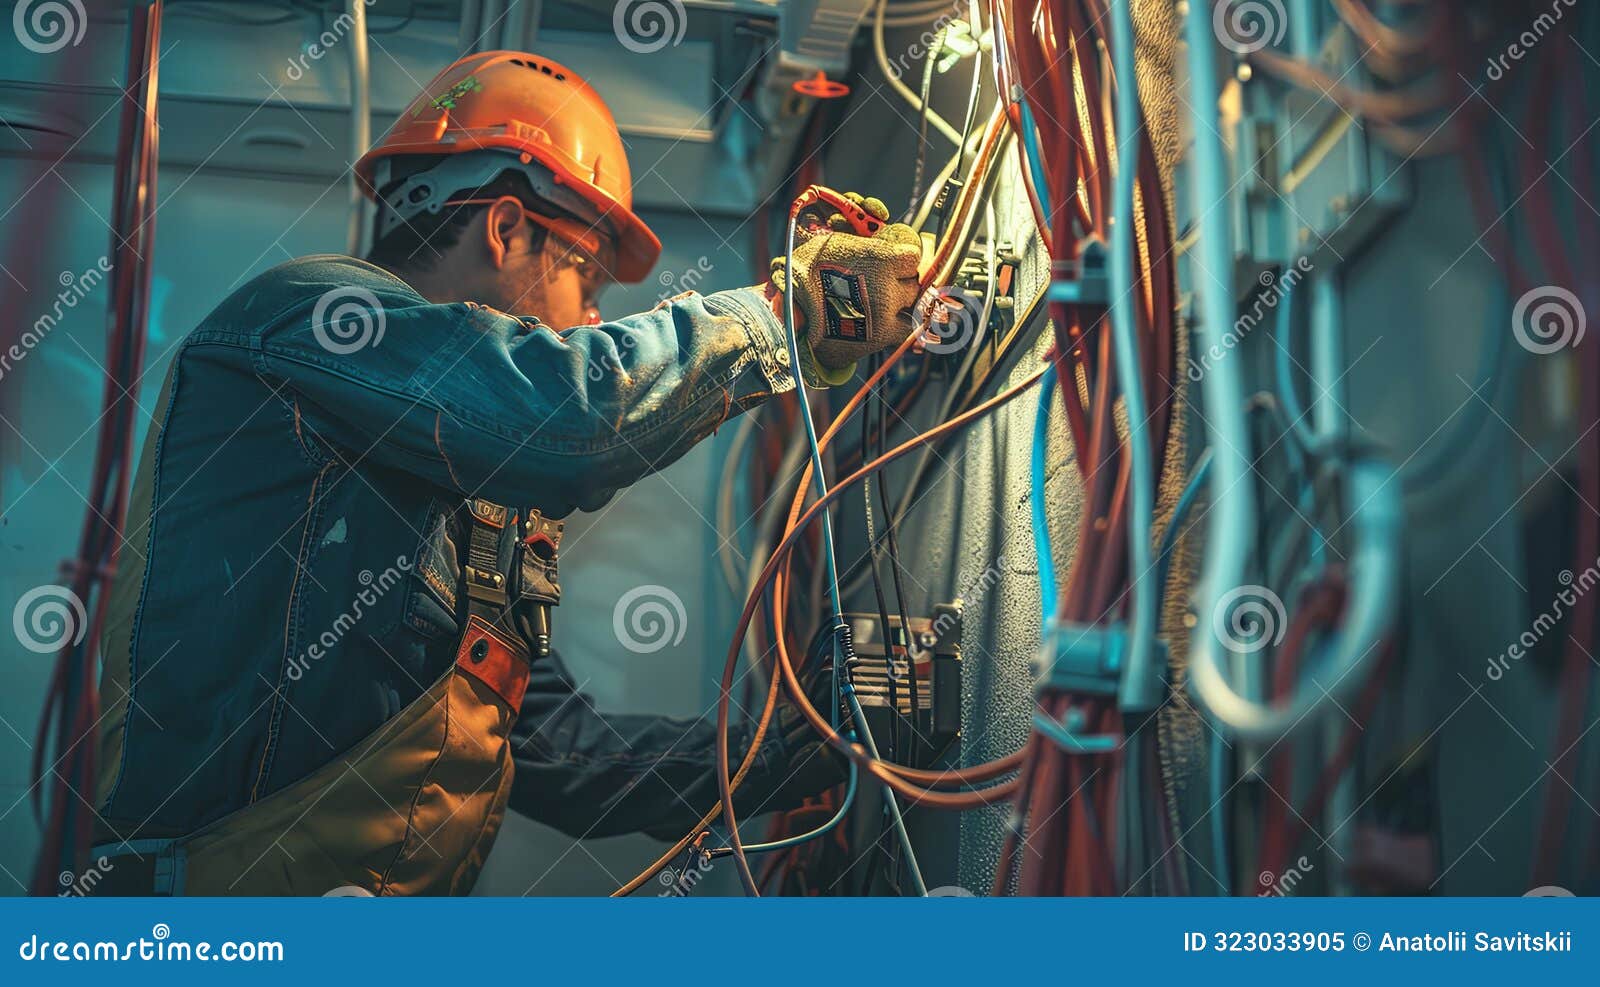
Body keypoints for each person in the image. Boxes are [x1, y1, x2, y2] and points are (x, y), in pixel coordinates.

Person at [85, 50, 924, 895]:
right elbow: (574, 416)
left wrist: (793, 751)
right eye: (587, 274)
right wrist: (786, 314)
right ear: (507, 228)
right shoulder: (304, 318)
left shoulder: (478, 482)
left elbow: (561, 756)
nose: (593, 314)